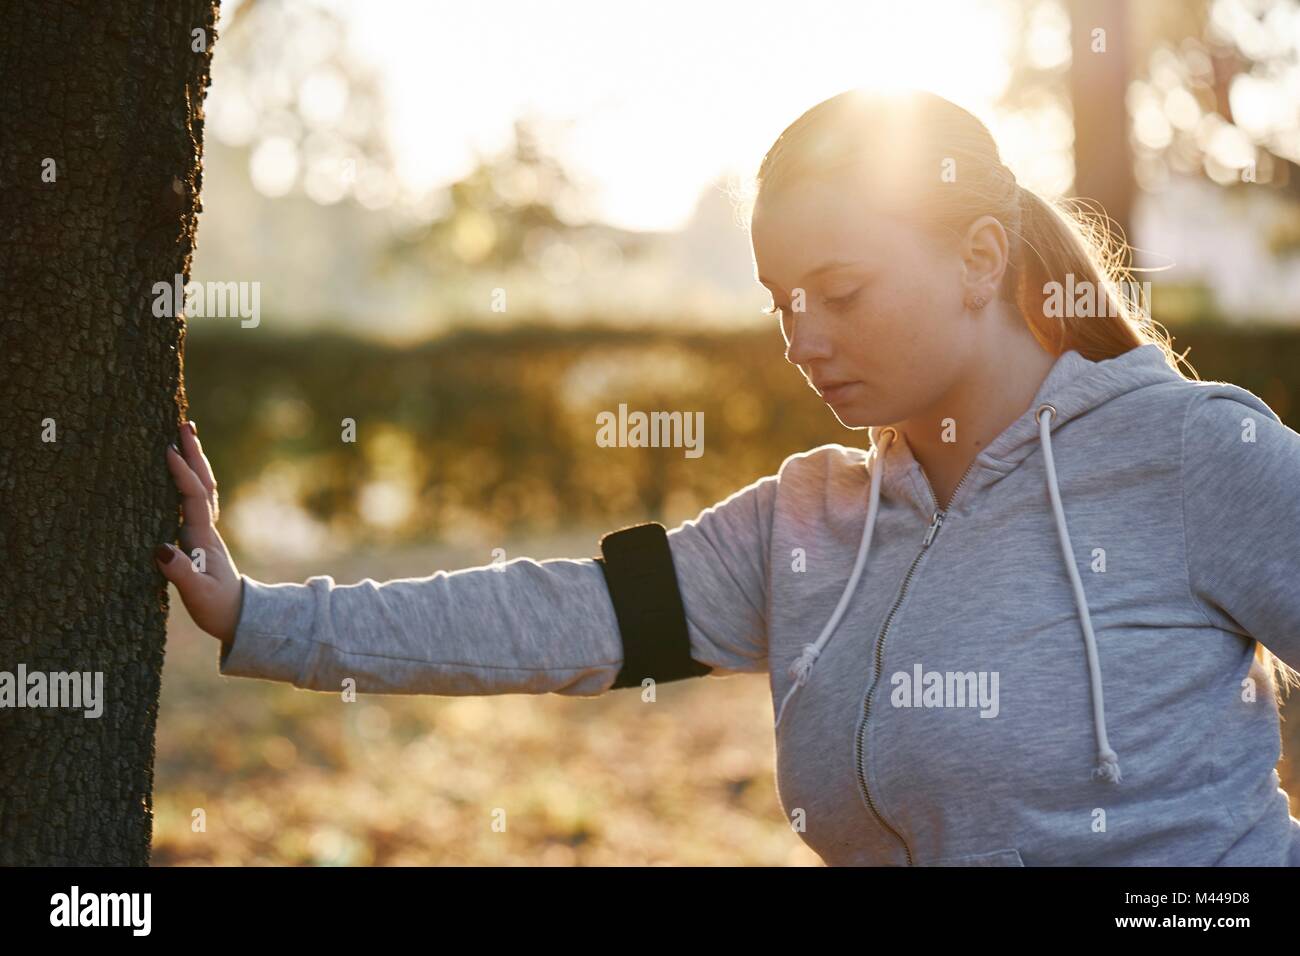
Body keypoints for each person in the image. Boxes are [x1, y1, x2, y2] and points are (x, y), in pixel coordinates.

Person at [155, 88, 1300, 866]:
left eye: (839, 293)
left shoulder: (1191, 454)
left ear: (979, 259)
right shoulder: (809, 523)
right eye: (779, 302)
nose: (801, 340)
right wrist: (258, 615)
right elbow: (553, 613)